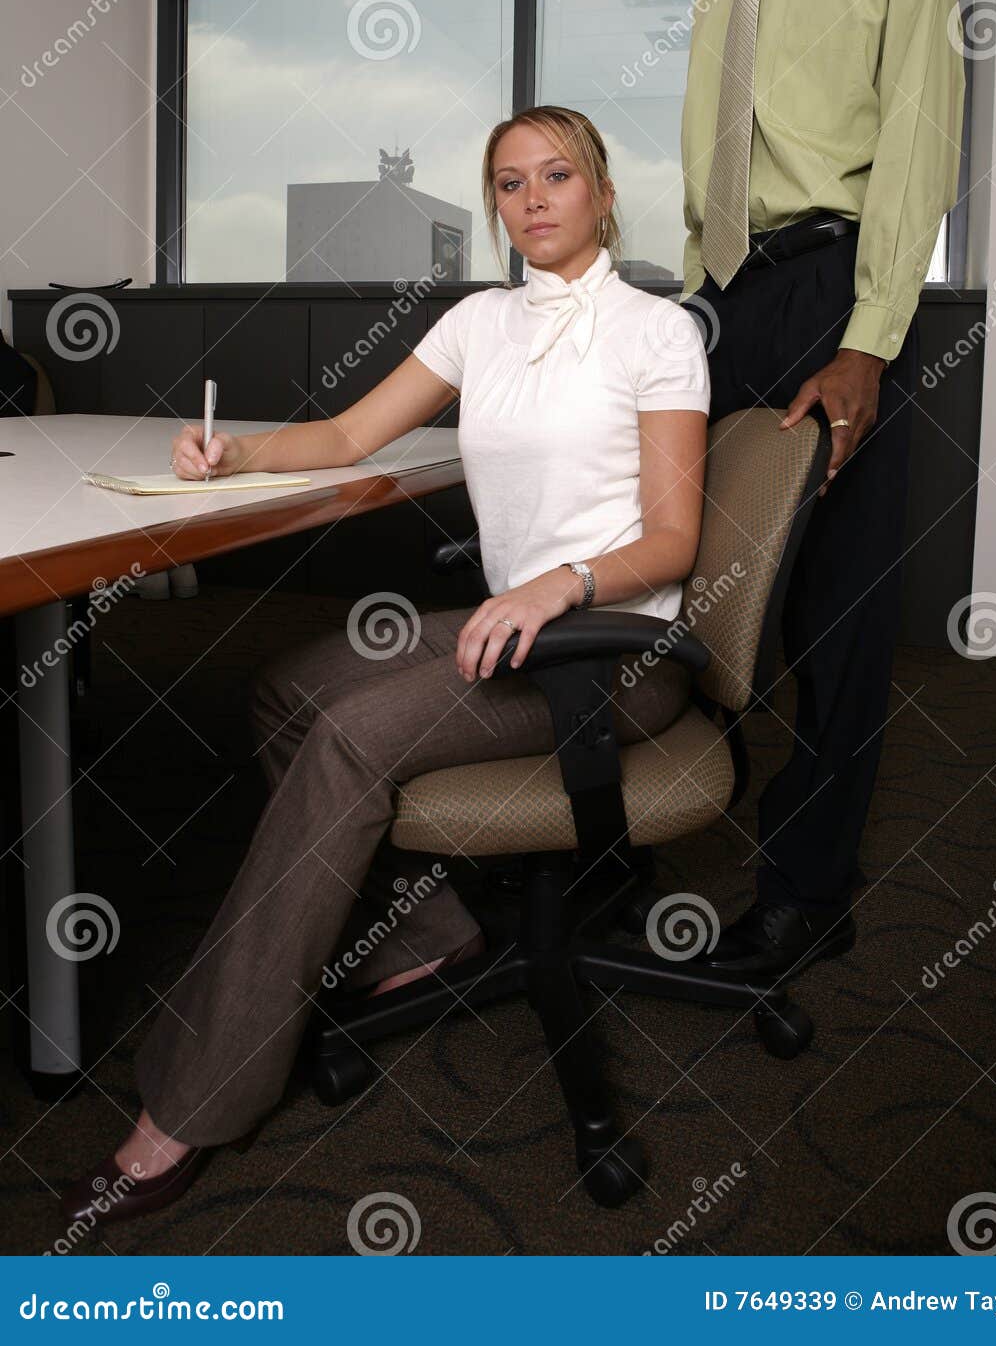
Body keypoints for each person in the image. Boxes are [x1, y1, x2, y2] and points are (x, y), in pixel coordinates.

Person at [61, 106, 711, 1226]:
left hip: (614, 649)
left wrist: (559, 582)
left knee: (354, 735)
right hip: (514, 629)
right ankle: (429, 936)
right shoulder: (479, 322)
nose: (534, 198)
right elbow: (347, 437)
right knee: (284, 685)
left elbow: (670, 539)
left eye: (558, 175)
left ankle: (194, 1100)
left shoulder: (659, 332)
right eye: (509, 184)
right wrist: (236, 455)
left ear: (603, 192)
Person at [681, 0, 966, 978]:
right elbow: (705, 181)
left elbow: (914, 149)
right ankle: (625, 814)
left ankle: (809, 886)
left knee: (835, 610)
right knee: (692, 582)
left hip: (834, 290)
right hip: (725, 305)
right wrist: (684, 316)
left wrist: (867, 337)